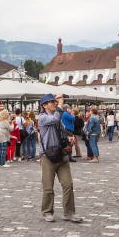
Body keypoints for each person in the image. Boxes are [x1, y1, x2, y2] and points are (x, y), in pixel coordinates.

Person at [37, 94, 83, 223]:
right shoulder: (42, 117)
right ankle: (47, 212)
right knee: (48, 187)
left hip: (61, 155)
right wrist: (61, 105)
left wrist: (69, 138)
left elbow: (61, 131)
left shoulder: (58, 118)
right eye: (52, 102)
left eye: (55, 101)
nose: (55, 103)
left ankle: (69, 213)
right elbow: (55, 119)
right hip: (48, 156)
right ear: (44, 105)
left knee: (68, 184)